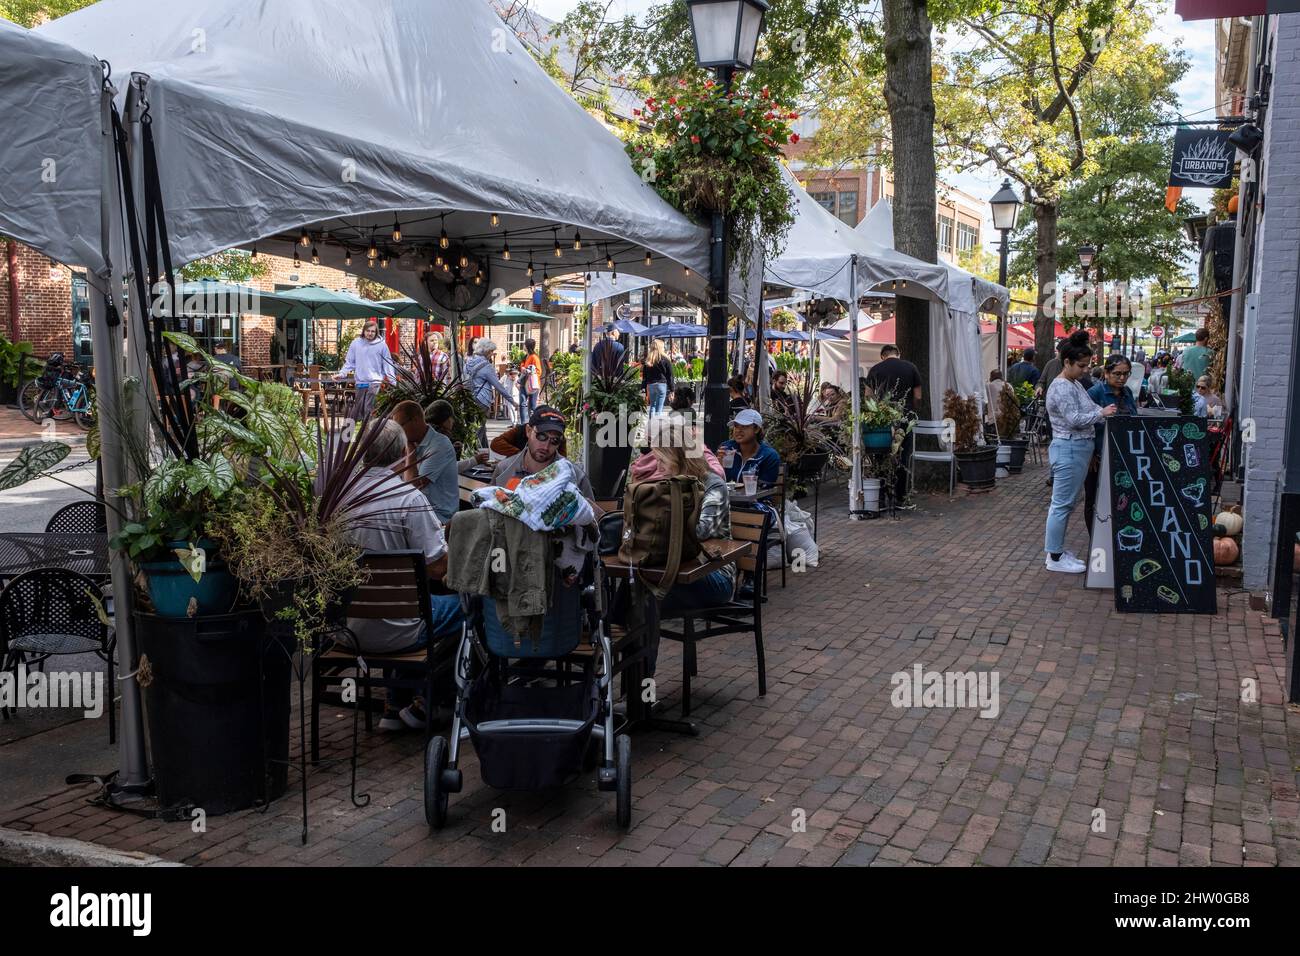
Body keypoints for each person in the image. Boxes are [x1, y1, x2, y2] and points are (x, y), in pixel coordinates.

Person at [337, 418, 463, 730]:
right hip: (400, 630)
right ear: (404, 452)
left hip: (344, 626)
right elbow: (438, 568)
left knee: (412, 606)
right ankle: (427, 703)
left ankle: (395, 704)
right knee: (471, 609)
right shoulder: (408, 499)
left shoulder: (338, 498)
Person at [1043, 331, 1117, 574]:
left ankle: (1057, 551)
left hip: (1075, 448)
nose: (1086, 370)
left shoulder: (1073, 384)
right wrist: (1102, 414)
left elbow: (1089, 407)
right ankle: (1054, 556)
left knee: (1065, 504)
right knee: (1062, 504)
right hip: (1070, 447)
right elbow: (1075, 419)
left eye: (1087, 365)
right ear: (1067, 362)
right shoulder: (1063, 387)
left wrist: (1102, 411)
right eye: (1082, 365)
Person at [391, 399, 488, 525]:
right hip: (418, 514)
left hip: (439, 518)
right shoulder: (412, 442)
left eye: (400, 426)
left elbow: (412, 487)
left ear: (415, 420)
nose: (398, 432)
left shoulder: (439, 445)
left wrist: (410, 454)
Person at [1083, 354, 1137, 532]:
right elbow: (1084, 425)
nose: (1122, 378)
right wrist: (1090, 454)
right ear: (1106, 373)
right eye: (1117, 373)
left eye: (1126, 374)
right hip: (1098, 456)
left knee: (1118, 497)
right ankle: (1095, 539)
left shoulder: (1127, 393)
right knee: (1094, 498)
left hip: (1122, 456)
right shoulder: (1094, 393)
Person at [491, 405, 594, 498]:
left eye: (555, 440)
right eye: (541, 436)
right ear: (528, 431)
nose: (546, 446)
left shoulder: (576, 476)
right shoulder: (504, 470)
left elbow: (592, 516)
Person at [336, 318, 394, 419]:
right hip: (360, 382)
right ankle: (361, 432)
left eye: (373, 331)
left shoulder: (382, 345)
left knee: (369, 410)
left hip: (375, 383)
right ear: (363, 331)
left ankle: (368, 432)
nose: (370, 333)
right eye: (368, 331)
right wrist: (341, 374)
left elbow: (388, 364)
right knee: (359, 411)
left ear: (376, 332)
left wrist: (393, 382)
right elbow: (350, 362)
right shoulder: (356, 343)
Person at [463, 338, 517, 443]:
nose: (492, 354)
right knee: (479, 429)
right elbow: (499, 386)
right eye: (491, 351)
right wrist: (512, 401)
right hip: (482, 400)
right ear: (487, 351)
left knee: (479, 427)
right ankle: (476, 453)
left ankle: (484, 452)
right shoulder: (487, 367)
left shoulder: (467, 364)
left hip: (469, 398)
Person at [718, 408, 780, 486]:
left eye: (744, 426)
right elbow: (714, 482)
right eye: (736, 426)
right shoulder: (726, 448)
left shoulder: (769, 456)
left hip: (757, 498)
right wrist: (717, 465)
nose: (738, 430)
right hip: (727, 497)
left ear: (756, 429)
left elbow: (765, 488)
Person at [865, 344, 922, 413]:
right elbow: (918, 396)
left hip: (885, 414)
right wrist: (915, 408)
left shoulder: (875, 369)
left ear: (882, 357)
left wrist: (876, 410)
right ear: (898, 355)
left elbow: (868, 395)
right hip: (907, 413)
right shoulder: (911, 367)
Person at [641, 337, 674, 415]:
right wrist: (672, 389)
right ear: (661, 347)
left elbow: (644, 376)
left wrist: (643, 387)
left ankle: (651, 424)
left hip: (651, 385)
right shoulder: (666, 359)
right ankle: (656, 425)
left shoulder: (648, 360)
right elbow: (670, 376)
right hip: (661, 385)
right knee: (659, 408)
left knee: (652, 406)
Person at [519, 338, 544, 419]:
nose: (523, 345)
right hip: (524, 383)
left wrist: (527, 370)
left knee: (532, 406)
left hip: (532, 384)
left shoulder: (534, 357)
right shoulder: (526, 356)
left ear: (527, 346)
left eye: (524, 344)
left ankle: (532, 423)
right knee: (522, 404)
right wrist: (523, 368)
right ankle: (524, 424)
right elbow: (522, 366)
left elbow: (538, 371)